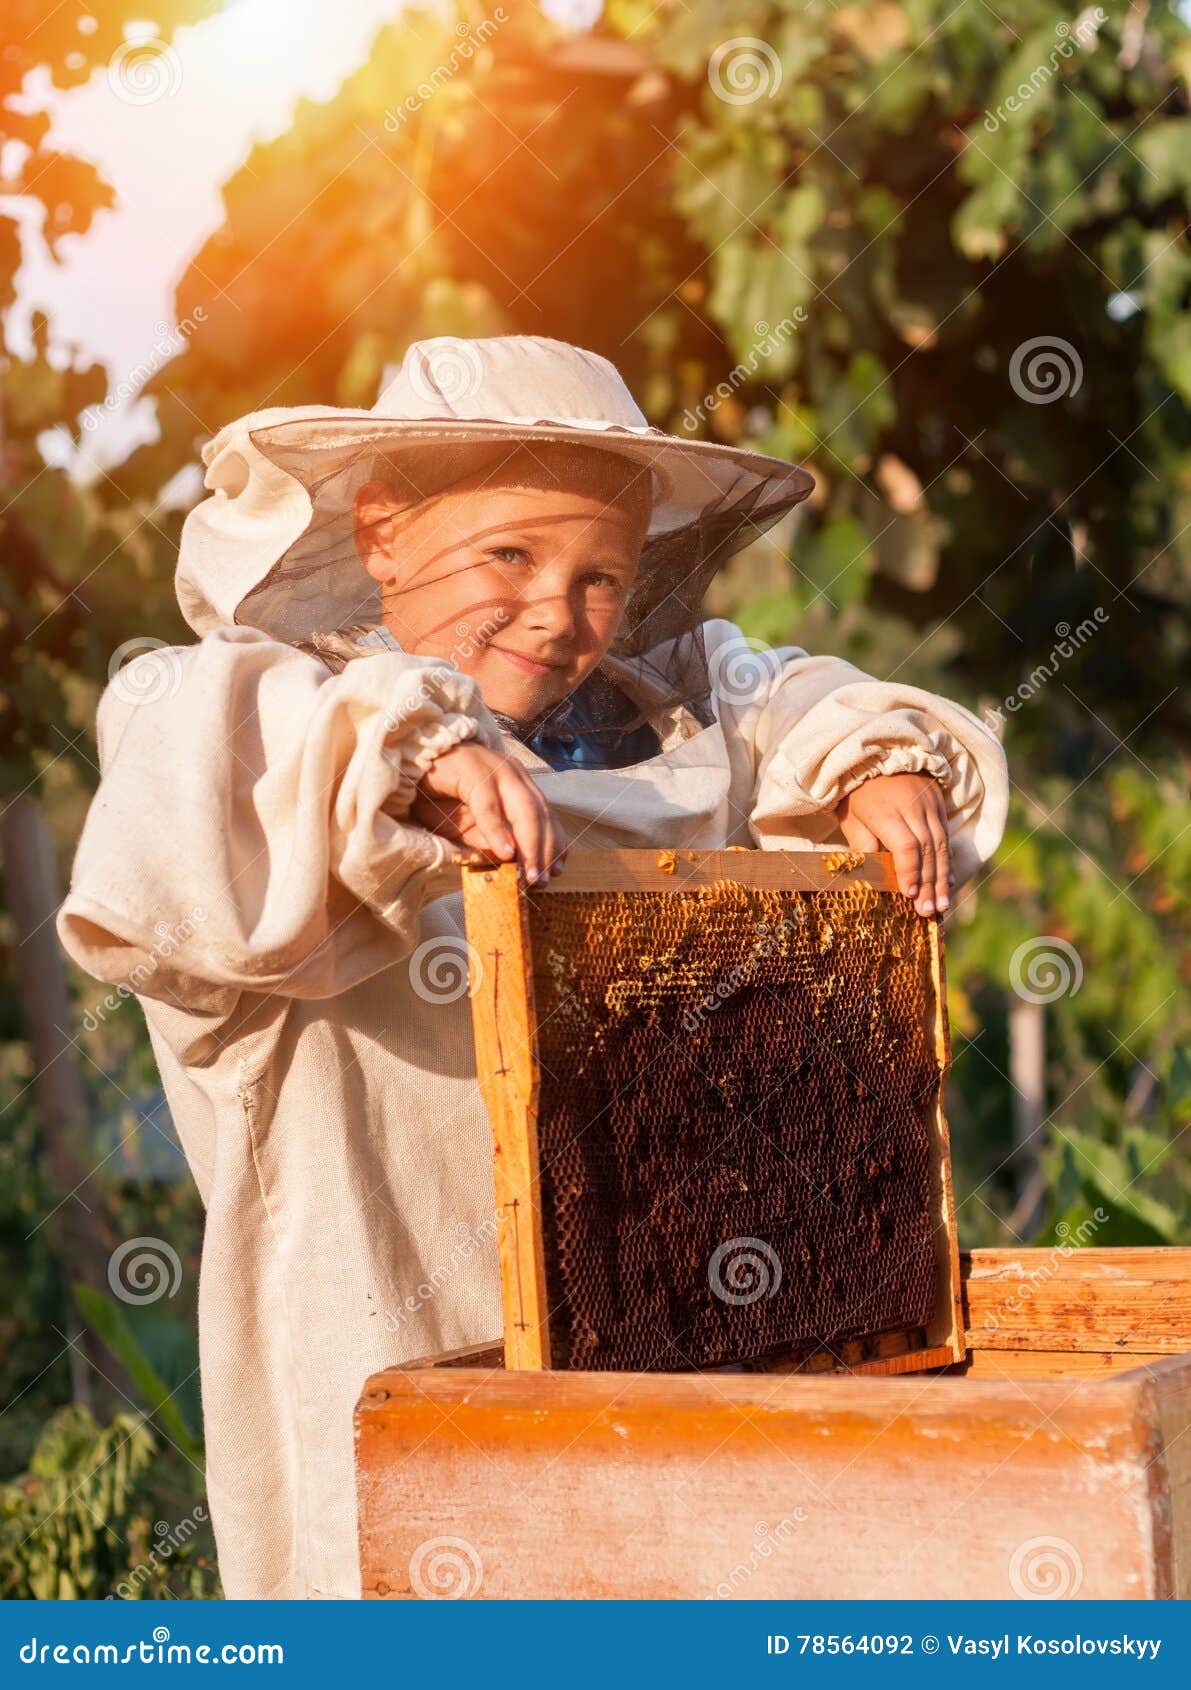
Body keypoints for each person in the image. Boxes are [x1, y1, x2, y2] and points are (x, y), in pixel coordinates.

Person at [57, 335, 1008, 1598]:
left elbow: (779, 702)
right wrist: (412, 759)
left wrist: (878, 764)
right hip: (381, 1406)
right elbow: (206, 753)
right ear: (383, 531)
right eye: (508, 555)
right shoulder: (262, 736)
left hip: (665, 1401)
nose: (559, 611)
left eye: (603, 574)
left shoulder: (673, 725)